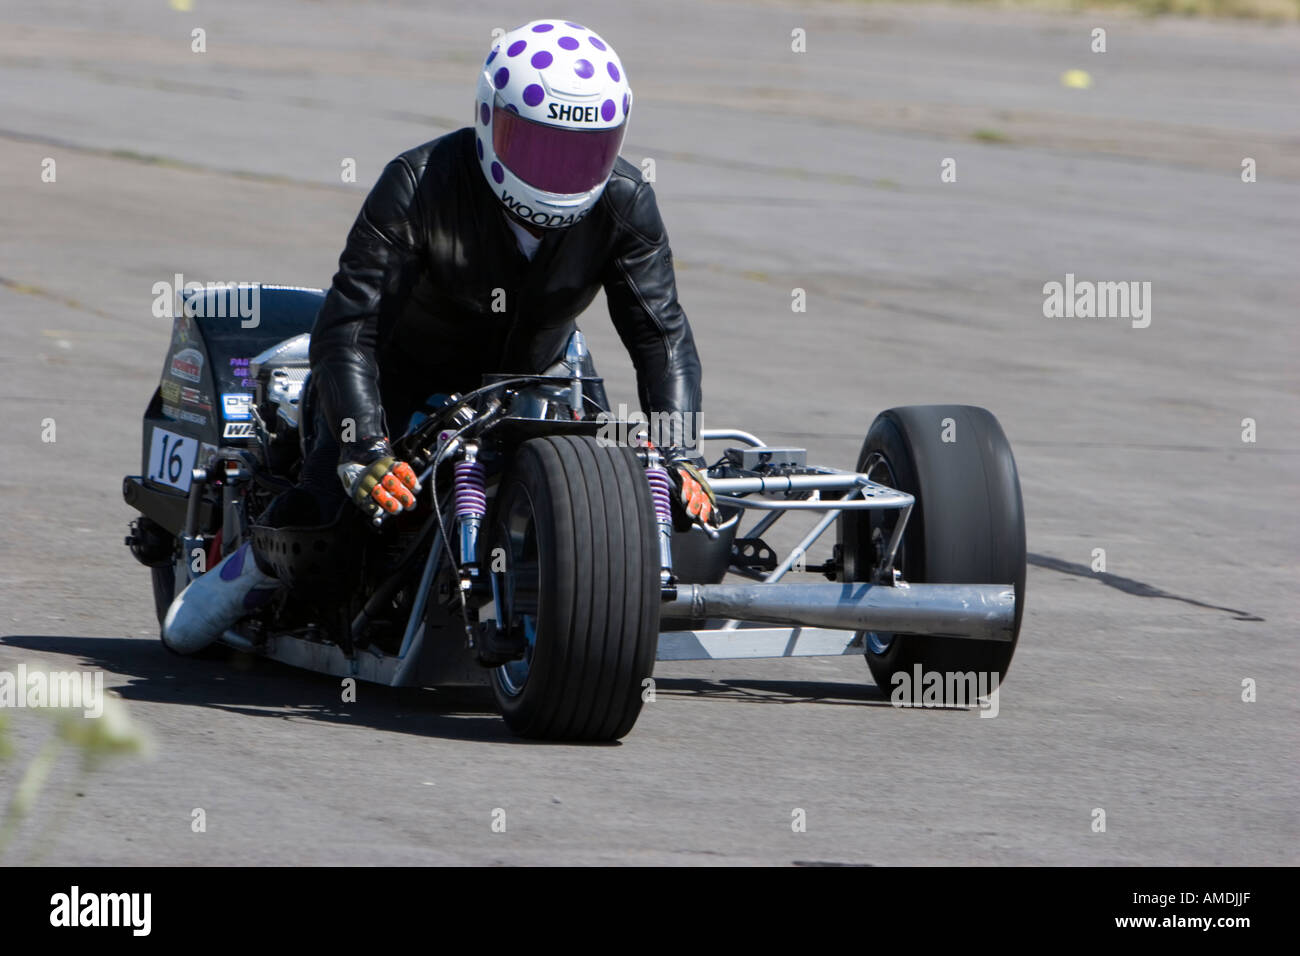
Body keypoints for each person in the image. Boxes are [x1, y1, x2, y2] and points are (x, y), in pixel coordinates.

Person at [163, 18, 716, 654]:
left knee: (666, 512)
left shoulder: (625, 200)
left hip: (541, 382)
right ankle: (251, 568)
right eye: (540, 146)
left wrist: (680, 450)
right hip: (399, 390)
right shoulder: (418, 184)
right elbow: (349, 330)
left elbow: (661, 334)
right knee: (333, 534)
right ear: (489, 120)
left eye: (583, 151)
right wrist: (363, 446)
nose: (561, 172)